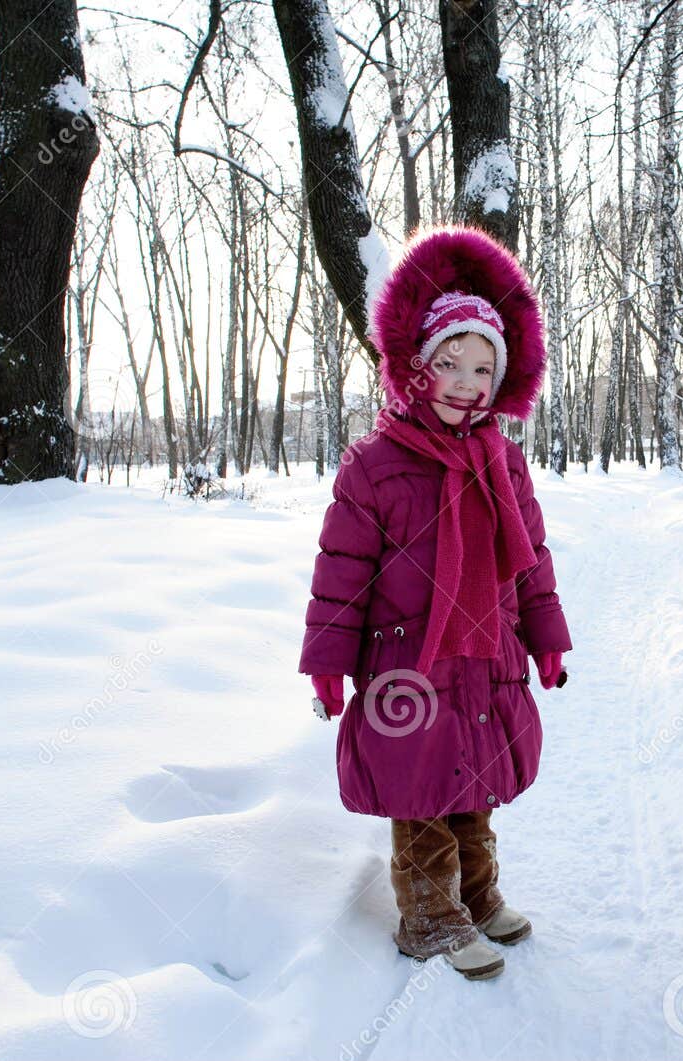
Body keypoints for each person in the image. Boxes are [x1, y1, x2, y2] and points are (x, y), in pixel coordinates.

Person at [298, 225, 572, 981]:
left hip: (484, 654)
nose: (465, 381)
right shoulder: (375, 465)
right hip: (406, 664)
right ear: (415, 369)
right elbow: (341, 570)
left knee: (472, 780)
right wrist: (327, 662)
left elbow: (532, 563)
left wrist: (546, 638)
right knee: (420, 789)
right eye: (449, 362)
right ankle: (430, 919)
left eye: (483, 367)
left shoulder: (503, 461)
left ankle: (477, 897)